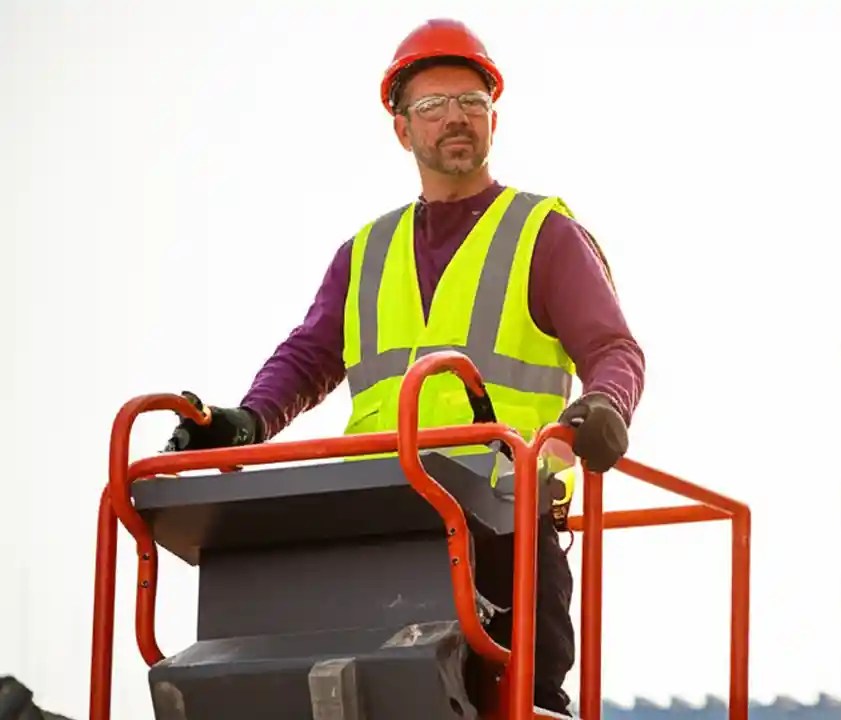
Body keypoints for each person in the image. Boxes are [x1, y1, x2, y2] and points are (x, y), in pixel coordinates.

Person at [164, 17, 645, 716]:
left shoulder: (543, 235)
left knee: (515, 702)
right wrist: (243, 422)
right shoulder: (367, 250)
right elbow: (307, 357)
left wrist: (605, 406)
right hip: (375, 522)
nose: (456, 118)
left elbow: (614, 351)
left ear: (493, 119)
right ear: (401, 128)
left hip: (503, 531)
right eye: (433, 105)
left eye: (472, 103)